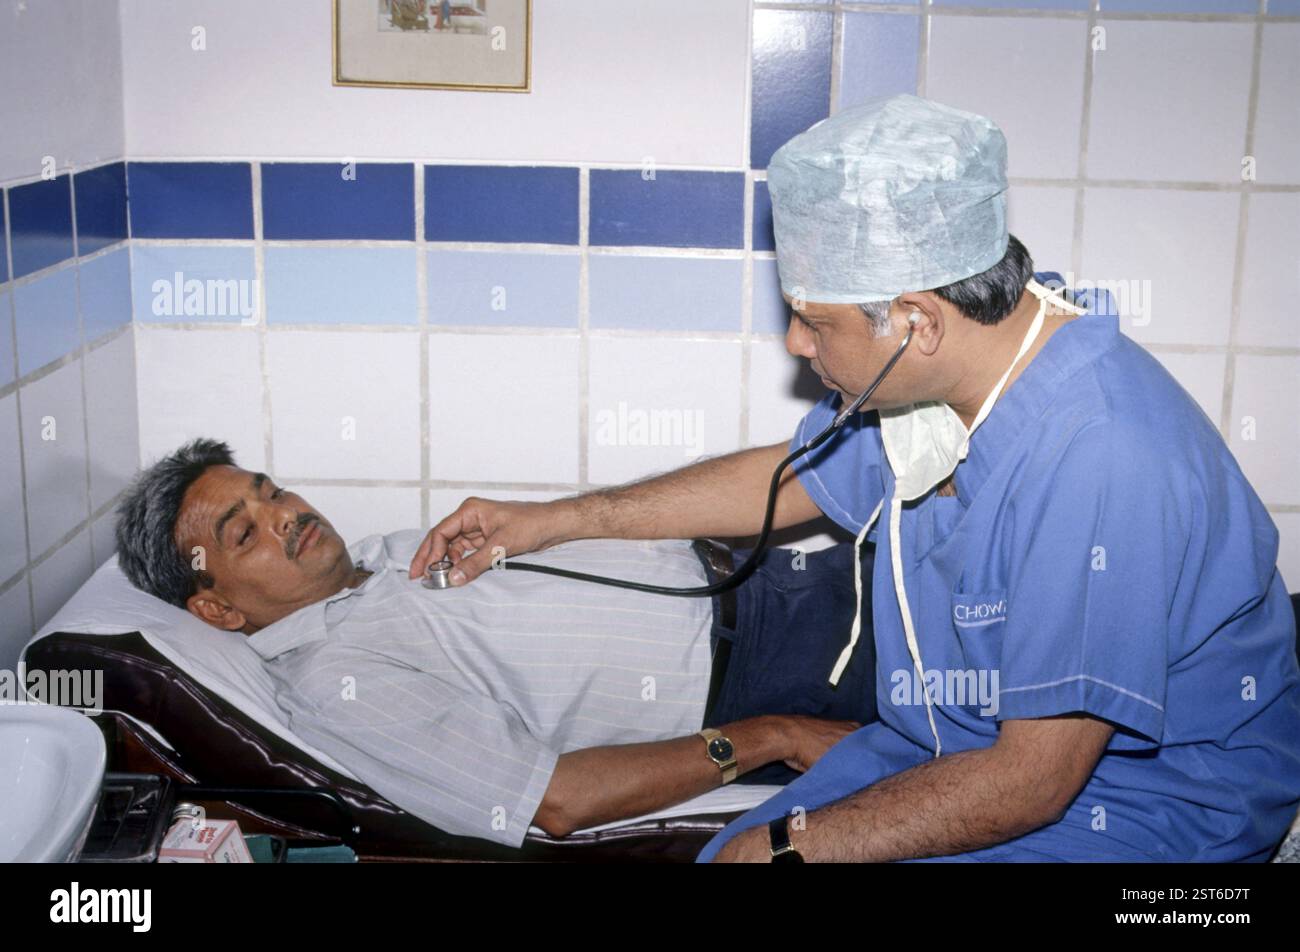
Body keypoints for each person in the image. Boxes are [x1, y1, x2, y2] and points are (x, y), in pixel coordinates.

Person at [423, 93, 1300, 862]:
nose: (796, 345)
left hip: (1154, 801)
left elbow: (1034, 784)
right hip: (956, 743)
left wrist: (800, 848)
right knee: (730, 857)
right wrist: (551, 521)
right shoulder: (955, 377)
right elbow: (786, 480)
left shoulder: (1100, 456)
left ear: (916, 320)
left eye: (812, 321)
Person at [112, 438, 878, 848]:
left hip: (784, 571)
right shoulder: (335, 680)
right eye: (246, 532)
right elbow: (557, 802)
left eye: (270, 491)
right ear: (214, 609)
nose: (286, 515)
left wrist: (549, 520)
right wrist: (773, 734)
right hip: (778, 668)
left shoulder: (388, 556)